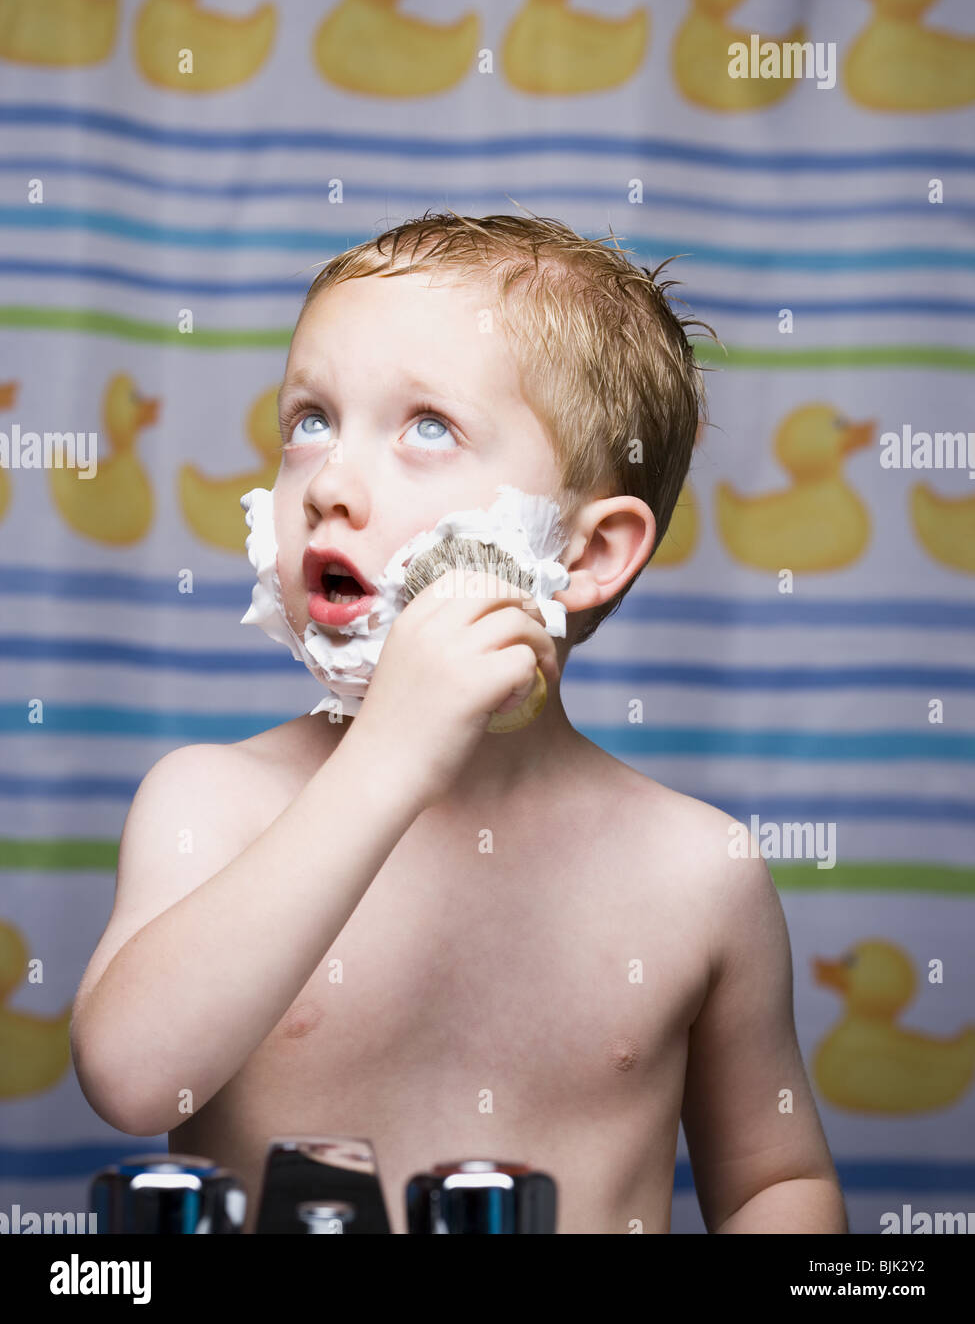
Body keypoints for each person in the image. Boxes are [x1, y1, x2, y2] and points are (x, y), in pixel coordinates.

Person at [70, 211, 848, 1234]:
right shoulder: (211, 805)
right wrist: (388, 756)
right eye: (309, 420)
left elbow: (774, 1181)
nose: (329, 487)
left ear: (589, 553)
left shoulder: (698, 870)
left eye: (426, 427)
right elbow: (132, 1080)